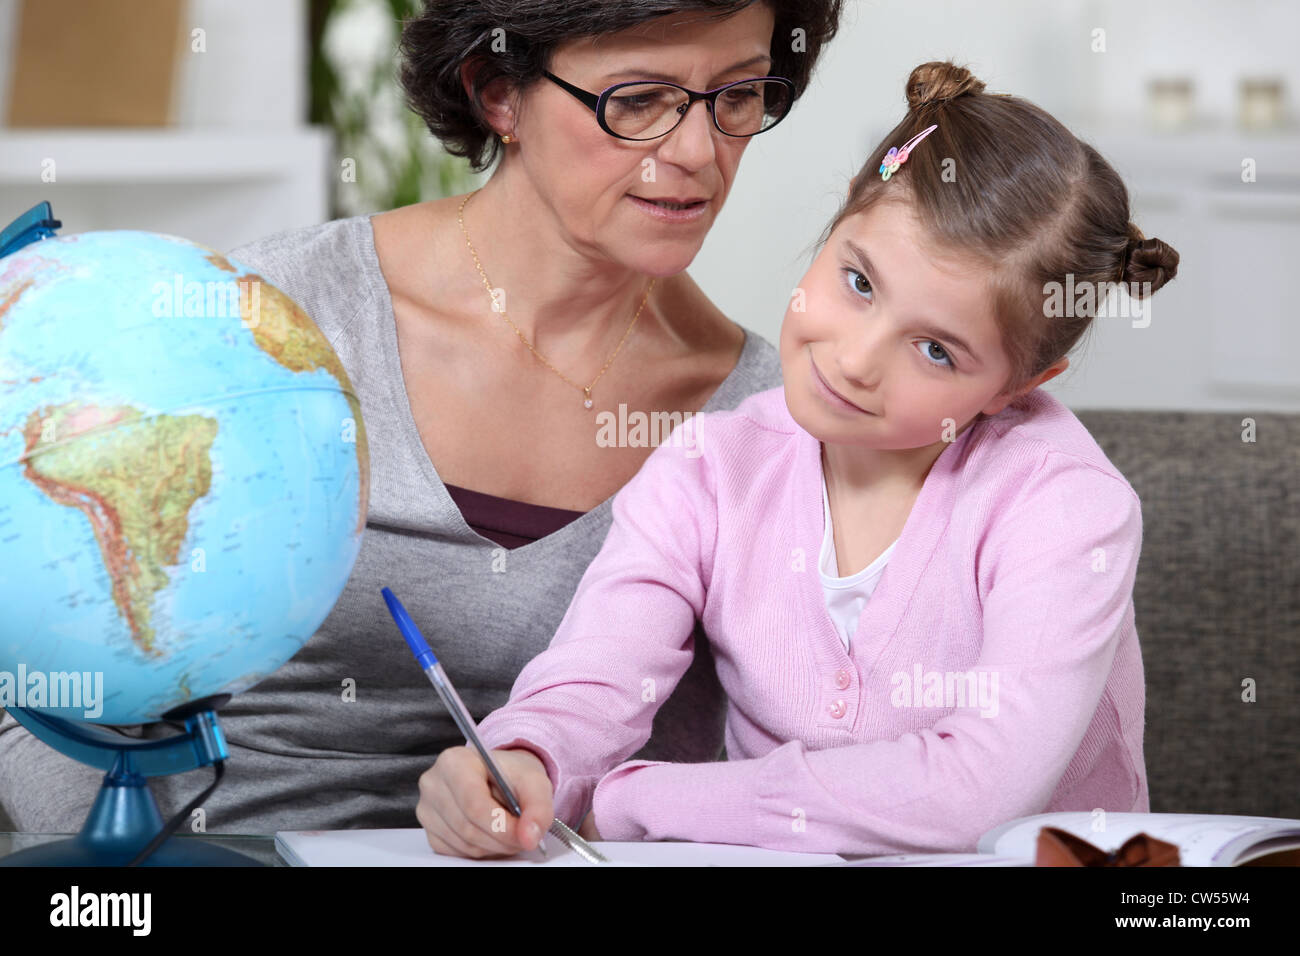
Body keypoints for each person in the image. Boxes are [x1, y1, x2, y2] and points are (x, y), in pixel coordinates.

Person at [0, 0, 845, 833]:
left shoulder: (772, 423)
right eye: (637, 101)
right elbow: (30, 657)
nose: (699, 151)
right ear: (497, 93)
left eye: (736, 95)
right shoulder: (265, 329)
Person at [417, 60, 1181, 858]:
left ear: (1020, 384)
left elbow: (977, 796)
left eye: (934, 350)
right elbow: (600, 671)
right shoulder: (710, 468)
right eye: (858, 281)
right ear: (844, 209)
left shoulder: (1066, 507)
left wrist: (642, 800)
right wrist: (526, 760)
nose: (855, 360)